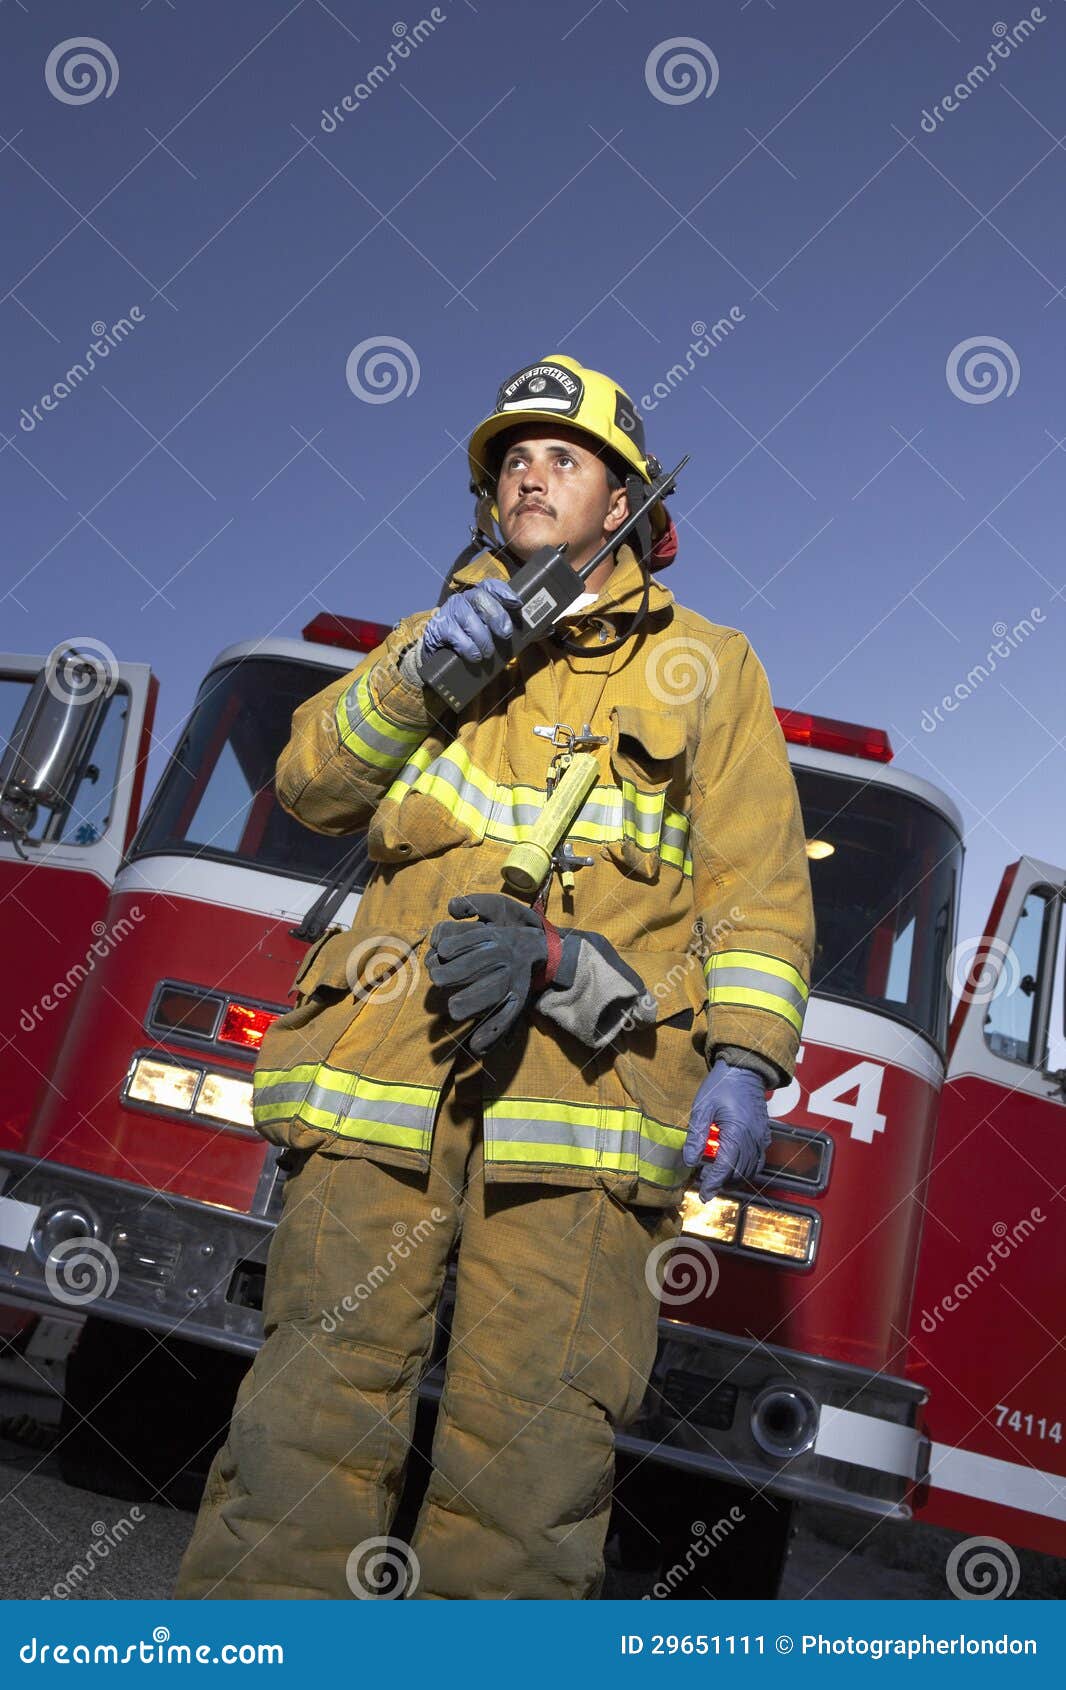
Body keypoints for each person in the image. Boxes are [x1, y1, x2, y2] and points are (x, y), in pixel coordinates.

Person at [175, 354, 814, 1601]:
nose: (528, 474)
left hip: (582, 1101)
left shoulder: (711, 667)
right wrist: (414, 679)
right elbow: (309, 789)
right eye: (510, 461)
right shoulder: (431, 643)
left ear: (622, 501)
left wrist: (743, 1056)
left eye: (560, 458)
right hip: (378, 1078)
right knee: (305, 1415)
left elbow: (759, 881)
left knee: (528, 1461)